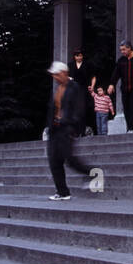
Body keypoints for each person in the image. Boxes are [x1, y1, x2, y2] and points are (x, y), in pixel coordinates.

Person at [46, 61, 94, 200]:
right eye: (53, 75)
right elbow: (53, 108)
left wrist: (71, 124)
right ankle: (62, 192)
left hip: (66, 127)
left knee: (69, 159)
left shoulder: (74, 87)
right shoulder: (57, 89)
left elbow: (79, 108)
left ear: (64, 73)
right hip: (55, 129)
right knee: (54, 161)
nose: (54, 77)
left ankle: (93, 172)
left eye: (56, 74)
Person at [107, 41, 133, 133]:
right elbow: (116, 73)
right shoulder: (121, 60)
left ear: (129, 48)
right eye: (121, 50)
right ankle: (129, 127)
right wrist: (111, 84)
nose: (122, 52)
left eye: (124, 49)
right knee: (126, 108)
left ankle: (132, 128)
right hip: (125, 88)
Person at [69, 49, 96, 135]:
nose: (79, 57)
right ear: (74, 57)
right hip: (73, 89)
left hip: (84, 89)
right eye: (77, 55)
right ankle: (75, 131)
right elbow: (65, 76)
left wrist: (92, 86)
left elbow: (93, 76)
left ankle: (83, 130)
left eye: (80, 55)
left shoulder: (87, 65)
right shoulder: (70, 65)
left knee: (83, 109)